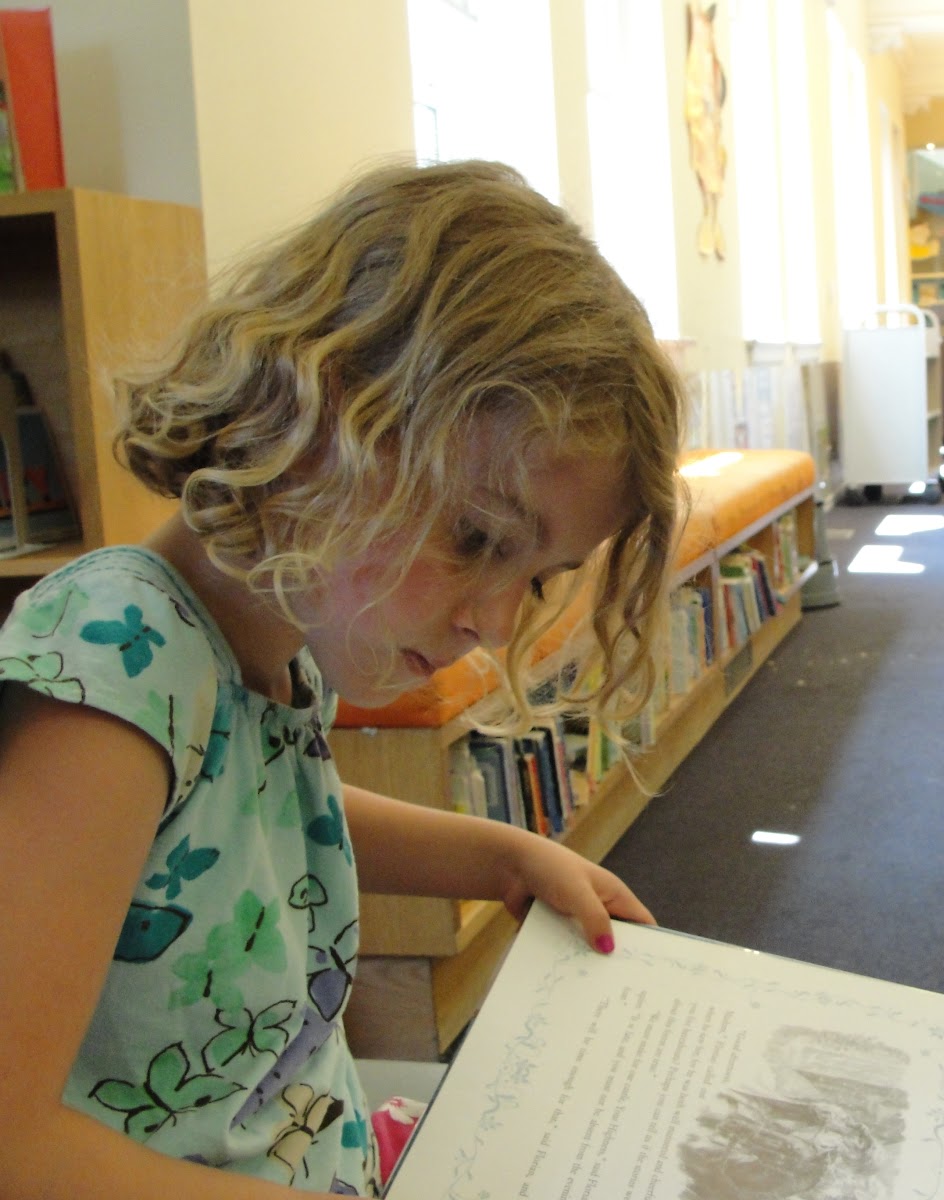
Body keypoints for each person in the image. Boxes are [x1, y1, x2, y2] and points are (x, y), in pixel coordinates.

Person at [0, 159, 685, 1197]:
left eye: (536, 576)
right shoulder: (118, 652)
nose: (493, 621)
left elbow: (255, 816)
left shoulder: (274, 643)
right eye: (476, 536)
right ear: (331, 412)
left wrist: (503, 854)